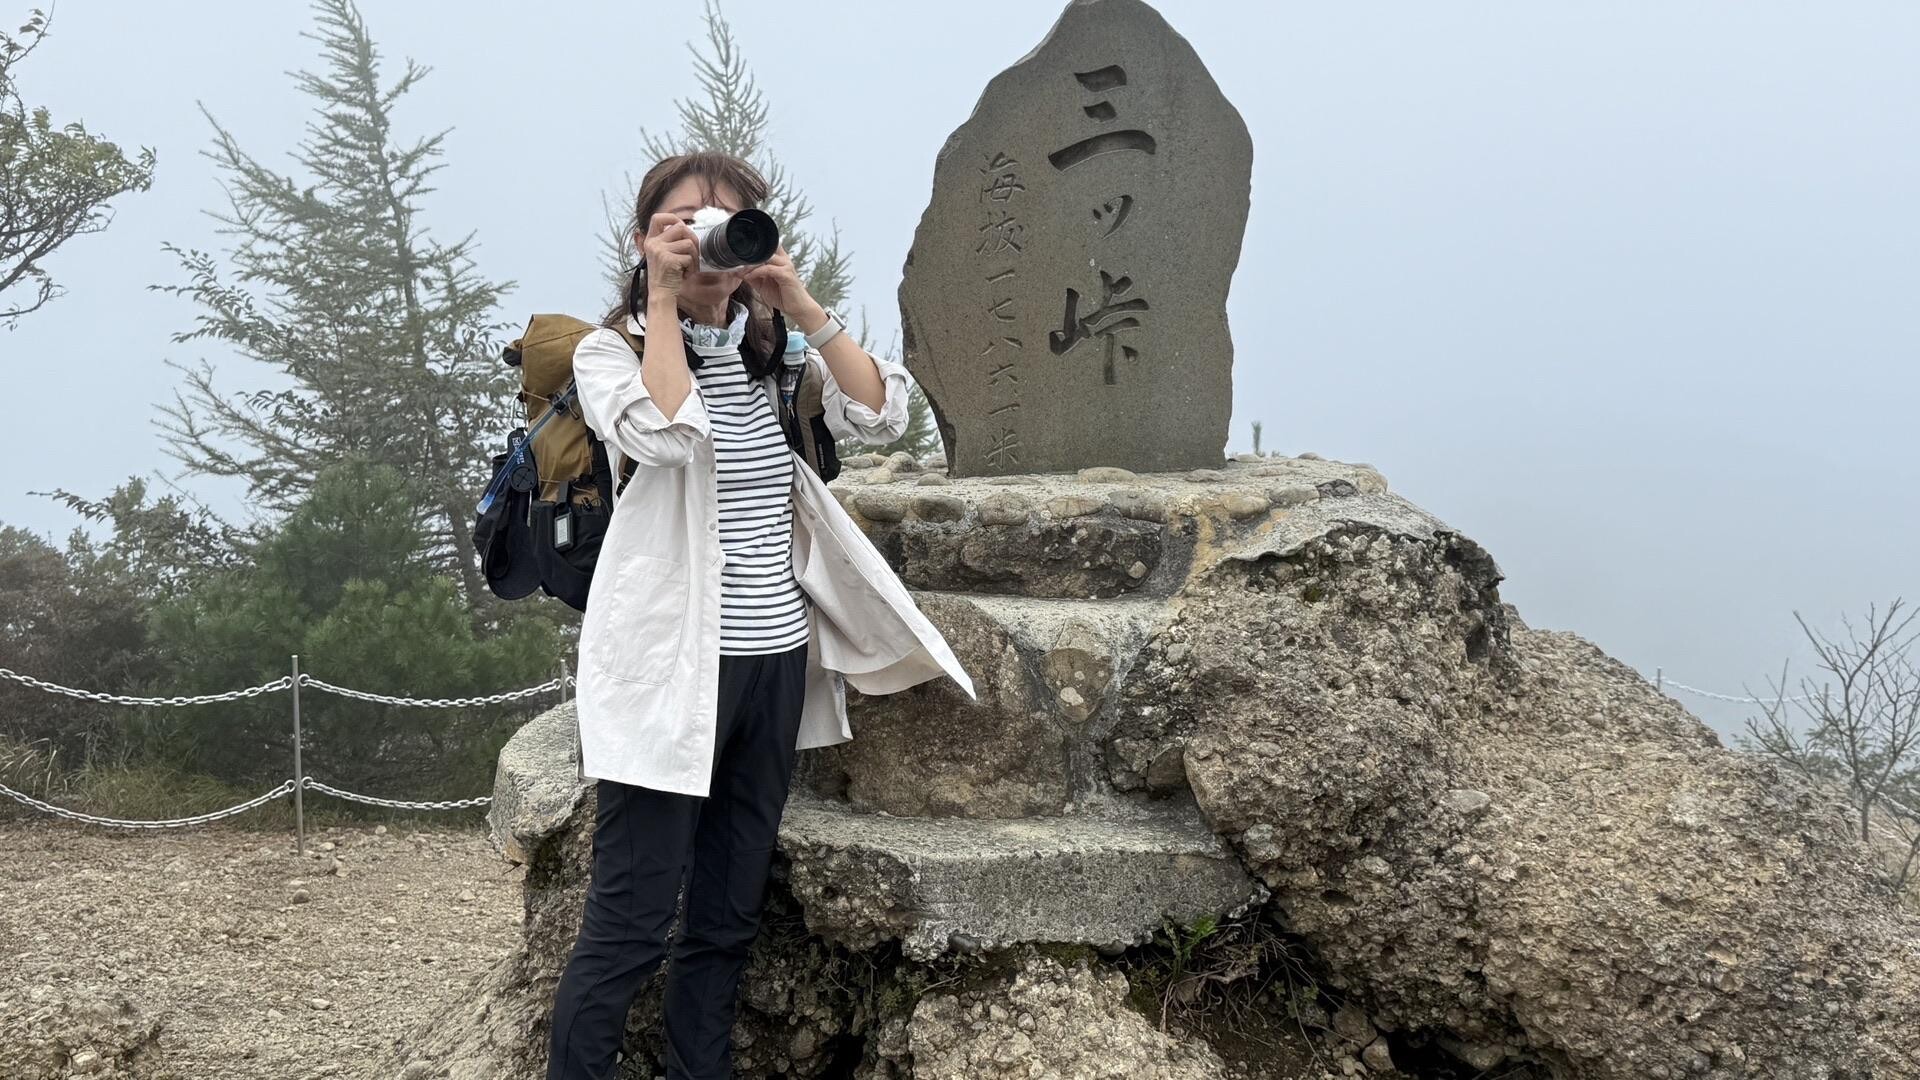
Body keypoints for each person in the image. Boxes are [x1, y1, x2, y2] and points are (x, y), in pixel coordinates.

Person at [545, 151, 974, 1080]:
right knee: (627, 923)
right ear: (646, 236)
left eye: (727, 220)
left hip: (775, 660)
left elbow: (886, 416)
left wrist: (800, 304)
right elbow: (662, 434)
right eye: (684, 219)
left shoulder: (775, 350)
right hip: (672, 669)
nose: (707, 234)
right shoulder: (608, 350)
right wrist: (666, 301)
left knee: (727, 917)